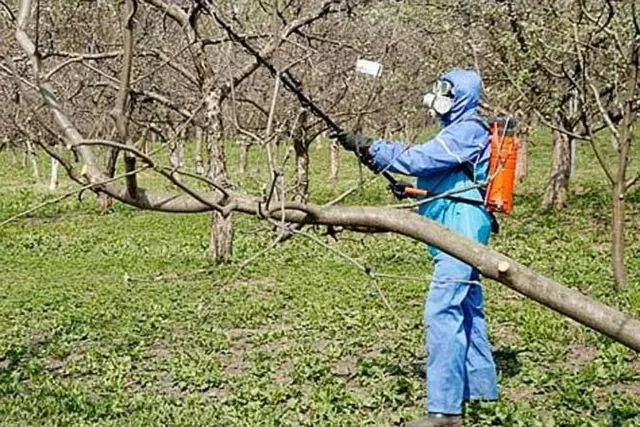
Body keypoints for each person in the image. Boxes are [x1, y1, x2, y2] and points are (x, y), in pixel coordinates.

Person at [331, 69, 498, 427]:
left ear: (463, 96)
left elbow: (422, 160)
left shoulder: (469, 130)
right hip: (455, 222)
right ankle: (479, 390)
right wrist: (409, 189)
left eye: (446, 92)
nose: (438, 99)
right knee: (467, 308)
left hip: (461, 229)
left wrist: (373, 147)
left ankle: (444, 412)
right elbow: (447, 179)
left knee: (442, 311)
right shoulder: (455, 132)